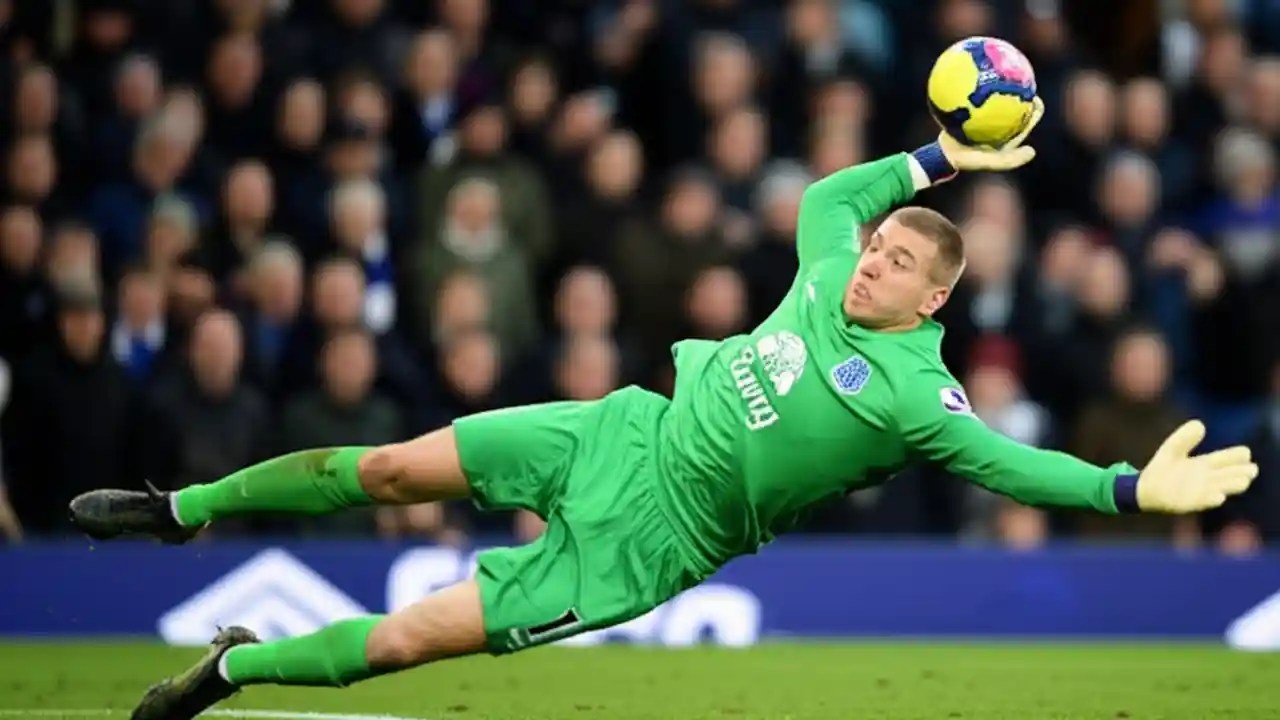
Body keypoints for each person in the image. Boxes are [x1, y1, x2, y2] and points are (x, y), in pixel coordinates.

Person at [68, 100, 1258, 720]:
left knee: (400, 644)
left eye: (896, 262)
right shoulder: (824, 266)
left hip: (655, 542)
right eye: (875, 249)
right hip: (618, 428)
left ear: (935, 295)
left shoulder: (916, 395)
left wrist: (1127, 489)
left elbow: (1008, 467)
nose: (868, 261)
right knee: (382, 468)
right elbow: (837, 189)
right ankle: (184, 508)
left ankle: (231, 675)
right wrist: (937, 161)